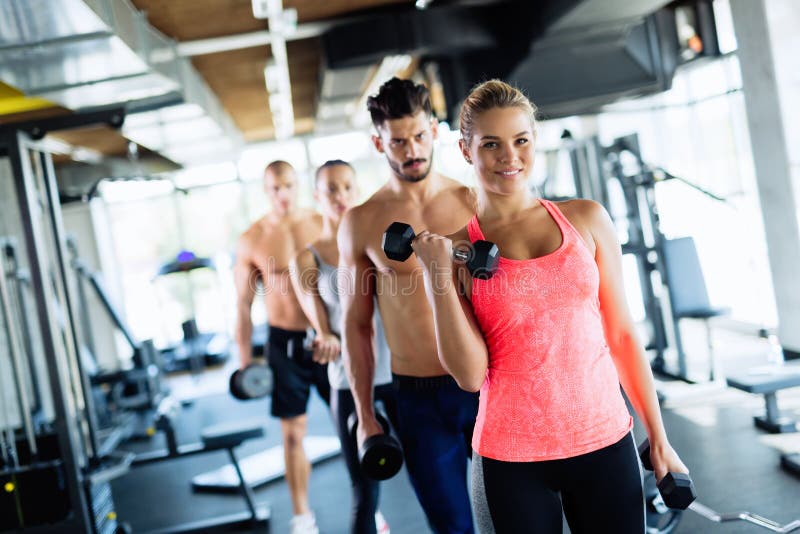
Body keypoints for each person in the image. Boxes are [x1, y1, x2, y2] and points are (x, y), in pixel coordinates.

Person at [410, 79, 690, 533]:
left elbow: (620, 335)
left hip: (604, 439)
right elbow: (468, 375)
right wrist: (437, 276)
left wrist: (658, 438)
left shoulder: (587, 219)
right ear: (465, 149)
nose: (509, 156)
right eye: (491, 144)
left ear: (534, 139)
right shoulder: (455, 251)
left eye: (520, 140)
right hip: (511, 457)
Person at [338, 78, 478, 534]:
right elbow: (356, 325)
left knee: (519, 516)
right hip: (417, 397)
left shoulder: (472, 201)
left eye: (418, 136)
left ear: (434, 131)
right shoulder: (360, 222)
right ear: (379, 142)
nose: (411, 149)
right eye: (398, 141)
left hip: (486, 383)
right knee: (451, 524)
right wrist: (363, 416)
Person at [290, 160, 393, 534]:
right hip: (350, 383)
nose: (341, 196)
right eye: (331, 189)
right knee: (365, 491)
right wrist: (325, 336)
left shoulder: (379, 244)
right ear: (317, 196)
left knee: (430, 478)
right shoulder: (306, 257)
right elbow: (319, 322)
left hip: (399, 376)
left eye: (348, 187)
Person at [233, 160, 329, 534]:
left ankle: (366, 505)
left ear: (298, 184)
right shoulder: (253, 239)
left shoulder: (320, 223)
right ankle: (302, 516)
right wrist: (246, 365)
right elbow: (243, 305)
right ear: (265, 190)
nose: (282, 194)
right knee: (292, 433)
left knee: (354, 424)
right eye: (274, 188)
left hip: (327, 338)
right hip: (284, 342)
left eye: (288, 185)